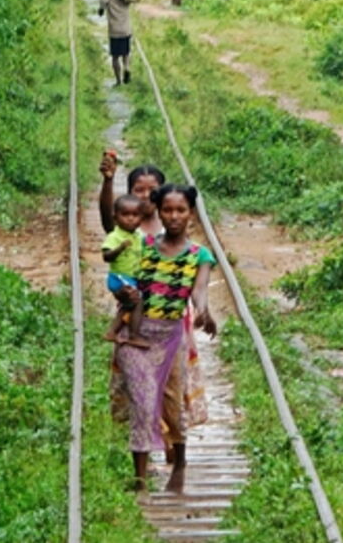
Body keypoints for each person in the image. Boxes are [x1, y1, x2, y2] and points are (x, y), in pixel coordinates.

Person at [114, 184, 217, 494]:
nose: (174, 216)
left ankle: (180, 462)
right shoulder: (142, 245)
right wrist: (123, 291)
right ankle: (140, 481)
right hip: (135, 336)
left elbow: (199, 289)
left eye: (180, 210)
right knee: (144, 401)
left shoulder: (200, 255)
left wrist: (203, 310)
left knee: (173, 404)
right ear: (158, 213)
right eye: (168, 210)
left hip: (171, 337)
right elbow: (111, 230)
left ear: (191, 213)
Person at [102, 195, 148, 348]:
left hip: (131, 278)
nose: (130, 219)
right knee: (138, 300)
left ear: (141, 218)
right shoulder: (114, 236)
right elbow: (106, 257)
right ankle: (134, 335)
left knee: (127, 305)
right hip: (119, 277)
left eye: (135, 215)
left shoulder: (139, 236)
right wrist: (120, 248)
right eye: (125, 214)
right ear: (115, 217)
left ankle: (112, 332)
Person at [99, 0, 134, 87]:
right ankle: (127, 68)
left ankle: (118, 81)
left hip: (114, 32)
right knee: (126, 54)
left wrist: (101, 10)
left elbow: (101, 10)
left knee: (115, 57)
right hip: (126, 30)